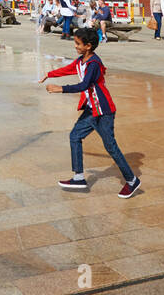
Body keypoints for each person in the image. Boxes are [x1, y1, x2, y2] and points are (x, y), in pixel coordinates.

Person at [42, 27, 141, 198]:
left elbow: (84, 85)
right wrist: (49, 74)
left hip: (103, 111)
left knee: (111, 146)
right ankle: (79, 177)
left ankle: (132, 180)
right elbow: (69, 68)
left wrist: (61, 89)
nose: (75, 46)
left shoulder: (94, 63)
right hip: (91, 109)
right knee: (75, 136)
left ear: (88, 46)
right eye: (75, 42)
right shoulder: (81, 61)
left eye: (78, 43)